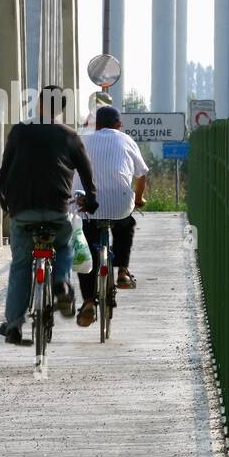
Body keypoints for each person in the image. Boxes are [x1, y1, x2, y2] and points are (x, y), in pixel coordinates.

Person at [0, 86, 98, 346]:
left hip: (22, 210)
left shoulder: (19, 132)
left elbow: (3, 173)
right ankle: (62, 283)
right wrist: (92, 200)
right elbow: (87, 174)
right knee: (62, 245)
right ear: (61, 109)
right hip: (56, 209)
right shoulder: (70, 136)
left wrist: (5, 203)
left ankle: (14, 327)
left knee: (21, 264)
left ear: (39, 104)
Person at [75, 105, 148, 327]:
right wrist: (138, 198)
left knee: (87, 251)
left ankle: (88, 302)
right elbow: (142, 173)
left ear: (96, 125)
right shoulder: (126, 140)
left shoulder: (83, 140)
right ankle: (123, 271)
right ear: (118, 124)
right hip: (119, 203)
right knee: (126, 224)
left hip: (89, 204)